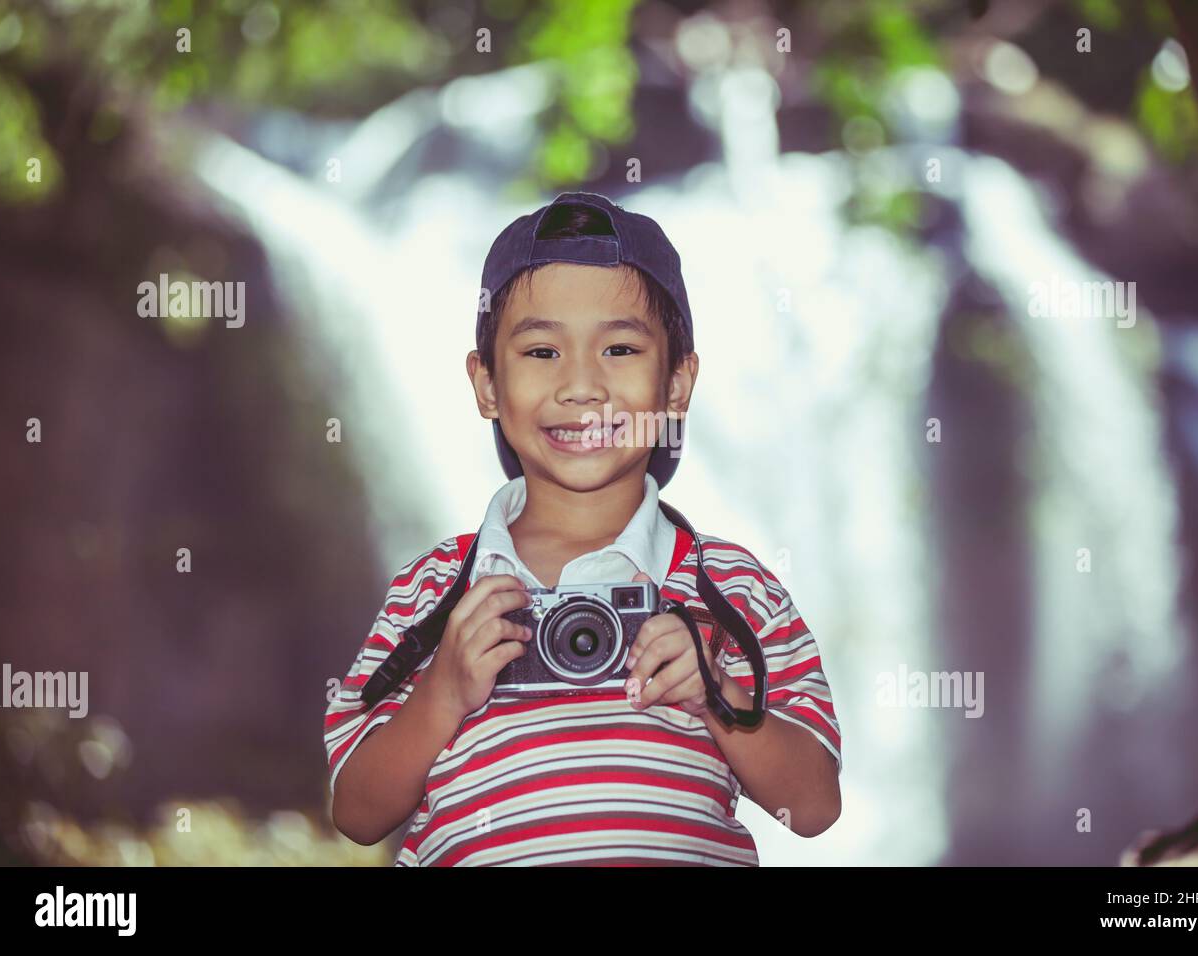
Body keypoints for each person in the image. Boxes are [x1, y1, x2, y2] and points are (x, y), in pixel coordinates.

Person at [324, 191, 842, 865]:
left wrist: (718, 694)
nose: (581, 386)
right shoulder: (432, 594)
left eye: (620, 348)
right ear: (484, 384)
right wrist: (442, 692)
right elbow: (357, 812)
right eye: (541, 352)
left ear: (678, 384)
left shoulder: (732, 588)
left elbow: (813, 805)